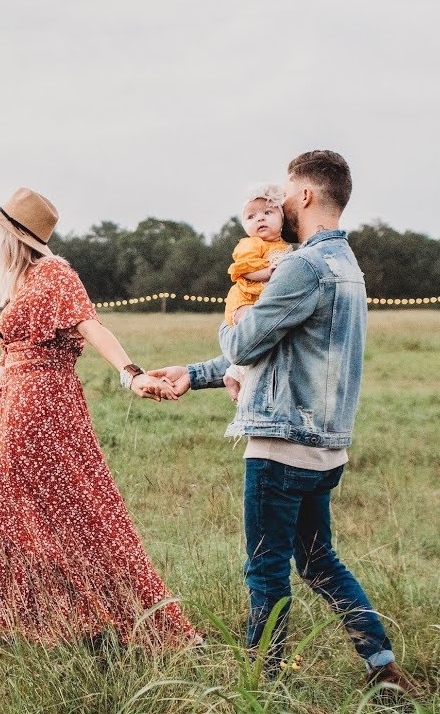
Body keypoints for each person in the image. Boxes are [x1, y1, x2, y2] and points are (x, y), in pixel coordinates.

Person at [148, 150, 420, 697]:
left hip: (281, 445)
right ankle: (383, 666)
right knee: (319, 562)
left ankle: (260, 684)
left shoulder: (301, 265)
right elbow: (278, 352)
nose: (278, 205)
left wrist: (234, 316)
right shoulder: (347, 266)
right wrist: (195, 374)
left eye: (285, 195)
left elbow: (247, 341)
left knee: (265, 569)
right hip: (325, 449)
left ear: (306, 197)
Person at [0, 186, 203, 648]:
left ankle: (95, 617)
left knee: (77, 513)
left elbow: (91, 324)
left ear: (13, 235)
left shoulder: (55, 273)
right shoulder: (24, 283)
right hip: (15, 408)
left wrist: (130, 374)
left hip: (44, 408)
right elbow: (4, 365)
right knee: (12, 512)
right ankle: (23, 622)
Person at [222, 185, 292, 402]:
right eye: (251, 216)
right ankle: (237, 377)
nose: (260, 219)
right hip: (244, 299)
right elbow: (244, 269)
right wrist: (267, 272)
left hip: (261, 300)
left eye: (268, 213)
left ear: (282, 219)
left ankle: (235, 374)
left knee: (263, 338)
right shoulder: (250, 244)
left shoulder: (285, 247)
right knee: (254, 330)